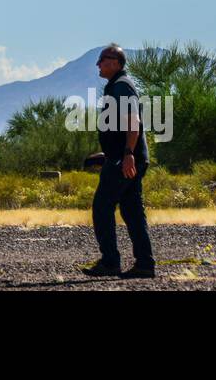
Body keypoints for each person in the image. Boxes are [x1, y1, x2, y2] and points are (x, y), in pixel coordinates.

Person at [81, 44, 155, 279]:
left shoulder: (122, 86)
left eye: (102, 60)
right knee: (132, 211)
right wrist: (111, 153)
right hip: (123, 158)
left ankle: (110, 262)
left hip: (126, 160)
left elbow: (134, 122)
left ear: (115, 62)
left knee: (102, 207)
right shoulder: (117, 86)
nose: (98, 64)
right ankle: (144, 265)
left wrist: (127, 154)